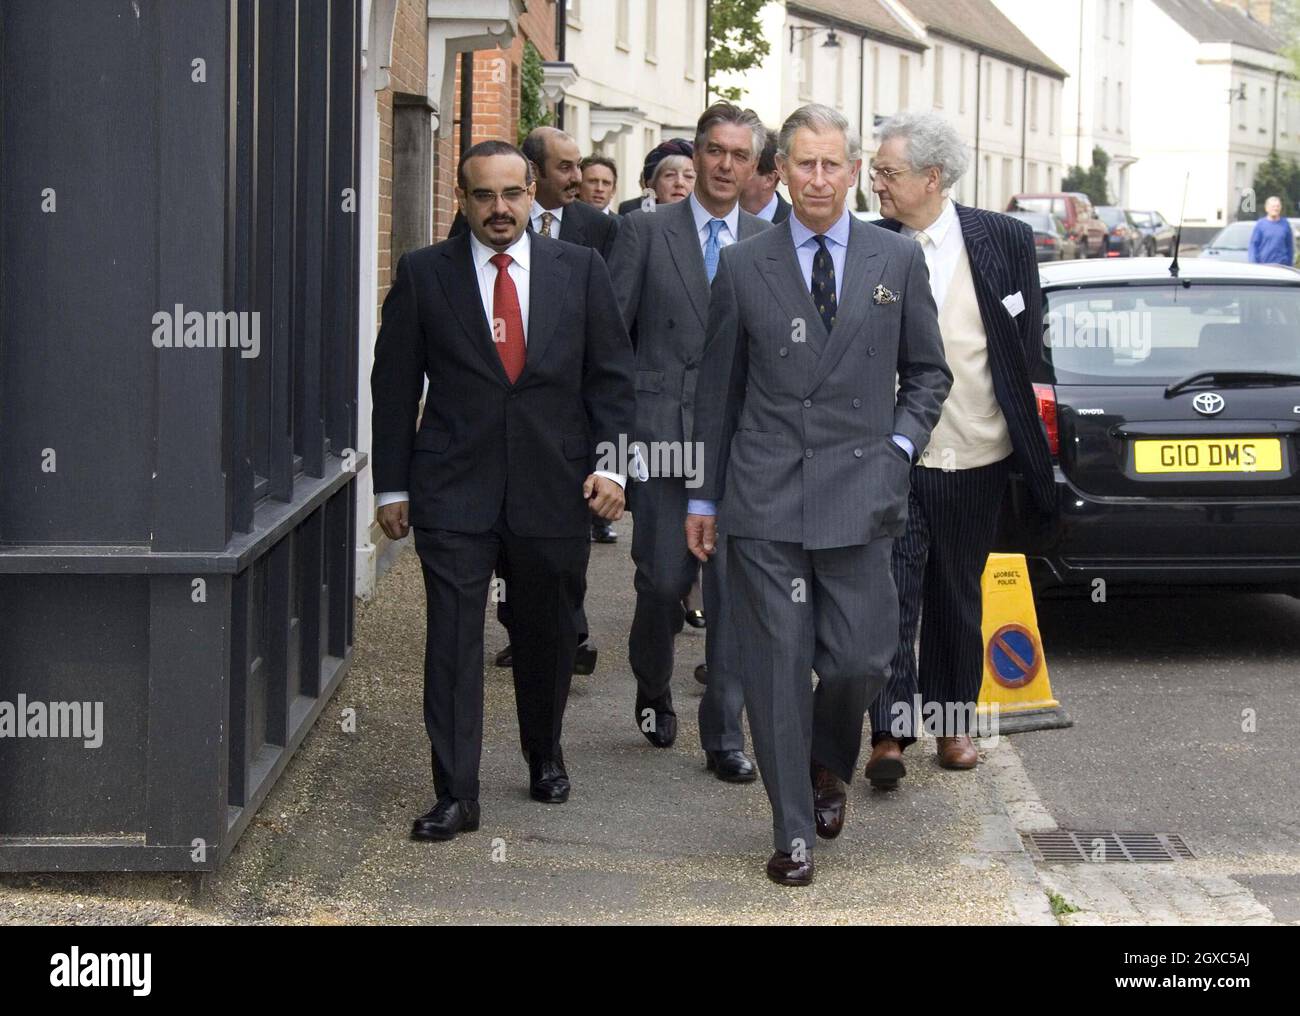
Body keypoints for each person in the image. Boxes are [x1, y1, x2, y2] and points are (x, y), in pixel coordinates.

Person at [688, 104, 952, 886]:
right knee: (775, 670)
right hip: (764, 502)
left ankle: (827, 761)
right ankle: (791, 830)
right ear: (781, 170)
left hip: (862, 499)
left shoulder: (894, 259)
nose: (819, 178)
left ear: (854, 171)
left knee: (861, 659)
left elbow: (929, 372)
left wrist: (900, 448)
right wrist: (704, 499)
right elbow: (717, 395)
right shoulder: (744, 265)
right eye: (803, 164)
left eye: (833, 163)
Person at [371, 140, 635, 841]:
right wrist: (389, 485)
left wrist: (612, 468)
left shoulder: (579, 271)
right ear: (462, 200)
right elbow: (394, 386)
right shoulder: (425, 275)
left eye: (512, 193)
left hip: (555, 488)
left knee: (546, 634)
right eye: (483, 195)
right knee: (452, 643)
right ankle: (456, 793)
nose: (499, 208)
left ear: (533, 197)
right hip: (453, 491)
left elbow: (612, 378)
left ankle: (544, 752)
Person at [865, 113, 1055, 787]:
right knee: (892, 591)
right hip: (895, 453)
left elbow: (1029, 344)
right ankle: (889, 731)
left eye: (886, 172)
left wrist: (1041, 434)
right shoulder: (871, 242)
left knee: (956, 594)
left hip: (978, 449)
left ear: (932, 177)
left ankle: (952, 725)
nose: (875, 183)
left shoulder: (1003, 238)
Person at [608, 101, 771, 780]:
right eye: (715, 151)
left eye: (740, 154)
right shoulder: (648, 234)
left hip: (743, 446)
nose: (726, 165)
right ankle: (652, 686)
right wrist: (611, 455)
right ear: (694, 155)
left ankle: (723, 734)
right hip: (665, 442)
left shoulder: (772, 238)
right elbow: (611, 347)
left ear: (754, 164)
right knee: (664, 580)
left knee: (732, 593)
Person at [617, 138, 694, 215]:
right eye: (669, 175)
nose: (679, 183)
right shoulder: (637, 224)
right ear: (652, 184)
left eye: (689, 176)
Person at [740, 127, 791, 223]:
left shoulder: (796, 226)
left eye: (747, 168)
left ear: (769, 179)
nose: (731, 169)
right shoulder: (719, 216)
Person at [1248, 195, 1294, 266]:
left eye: (1277, 206)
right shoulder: (1261, 224)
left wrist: (1289, 264)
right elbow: (1254, 245)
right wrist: (1254, 263)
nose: (1275, 208)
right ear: (1267, 208)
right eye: (1273, 206)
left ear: (1280, 208)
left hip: (1282, 266)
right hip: (1264, 266)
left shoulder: (1285, 224)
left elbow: (1289, 246)